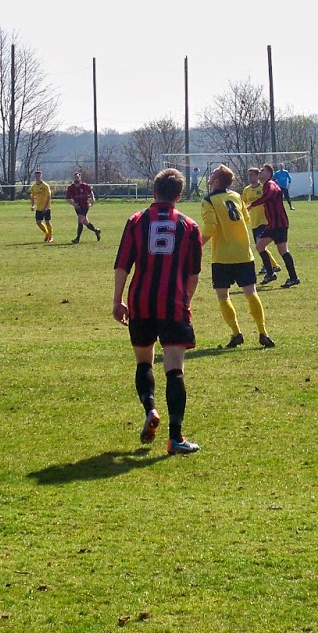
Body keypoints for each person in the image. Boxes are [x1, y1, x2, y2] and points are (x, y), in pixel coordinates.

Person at [113, 167, 204, 455]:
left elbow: (122, 265)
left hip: (140, 302)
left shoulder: (136, 221)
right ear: (178, 195)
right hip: (173, 304)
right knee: (174, 369)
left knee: (144, 362)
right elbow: (193, 275)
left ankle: (150, 410)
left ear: (153, 192)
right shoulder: (189, 226)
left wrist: (117, 301)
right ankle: (175, 438)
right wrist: (184, 302)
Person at [199, 165, 273, 349]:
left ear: (216, 181)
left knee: (223, 296)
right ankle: (263, 333)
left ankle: (236, 333)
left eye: (213, 173)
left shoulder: (209, 200)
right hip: (244, 253)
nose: (210, 175)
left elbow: (210, 227)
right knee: (251, 292)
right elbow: (246, 220)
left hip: (223, 256)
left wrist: (195, 246)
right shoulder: (237, 196)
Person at [254, 164, 300, 288]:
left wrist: (252, 205)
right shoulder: (266, 185)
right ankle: (284, 276)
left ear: (269, 174)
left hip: (278, 224)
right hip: (275, 224)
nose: (260, 172)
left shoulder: (271, 185)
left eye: (262, 170)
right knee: (269, 247)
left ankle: (282, 275)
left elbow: (269, 195)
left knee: (268, 247)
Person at [64, 172, 102, 243]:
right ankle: (96, 231)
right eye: (75, 177)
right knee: (86, 223)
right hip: (77, 207)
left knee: (80, 220)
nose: (76, 178)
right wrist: (73, 204)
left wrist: (93, 199)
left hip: (84, 206)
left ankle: (77, 239)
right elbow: (68, 199)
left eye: (77, 177)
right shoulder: (71, 188)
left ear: (80, 178)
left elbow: (91, 192)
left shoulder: (84, 186)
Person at [29, 171, 54, 243]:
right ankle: (47, 233)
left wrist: (45, 207)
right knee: (38, 222)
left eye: (38, 176)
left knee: (47, 221)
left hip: (46, 207)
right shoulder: (33, 187)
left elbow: (49, 196)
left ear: (41, 176)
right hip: (39, 207)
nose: (37, 177)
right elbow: (32, 197)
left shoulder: (45, 186)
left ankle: (51, 237)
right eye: (36, 176)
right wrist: (33, 205)